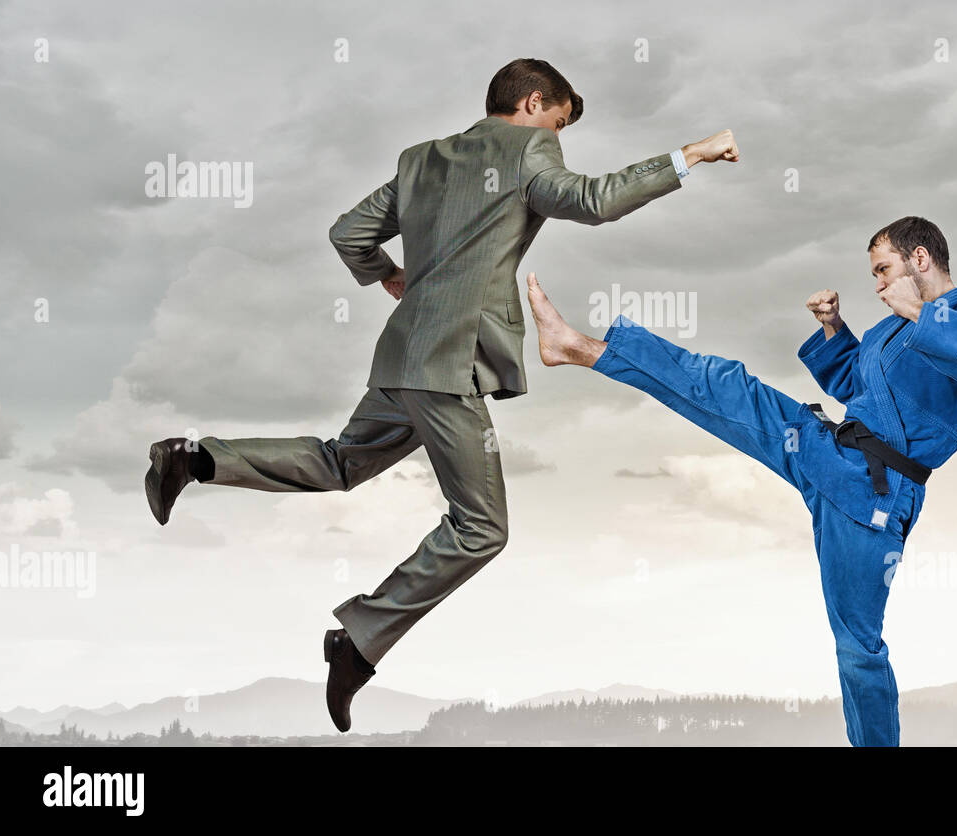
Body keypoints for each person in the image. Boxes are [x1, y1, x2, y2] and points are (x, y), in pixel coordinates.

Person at [143, 57, 739, 732]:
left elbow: (348, 234)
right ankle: (360, 638)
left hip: (403, 357)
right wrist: (688, 156)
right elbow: (593, 200)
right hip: (450, 361)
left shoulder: (420, 159)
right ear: (534, 102)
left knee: (341, 462)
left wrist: (389, 275)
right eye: (560, 122)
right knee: (482, 527)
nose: (559, 139)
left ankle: (191, 457)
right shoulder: (526, 148)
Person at [522, 215, 957, 746]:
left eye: (883, 270)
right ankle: (581, 347)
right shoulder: (889, 328)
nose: (876, 285)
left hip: (875, 493)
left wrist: (918, 311)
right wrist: (833, 328)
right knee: (728, 385)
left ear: (919, 259)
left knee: (858, 645)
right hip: (828, 452)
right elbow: (856, 384)